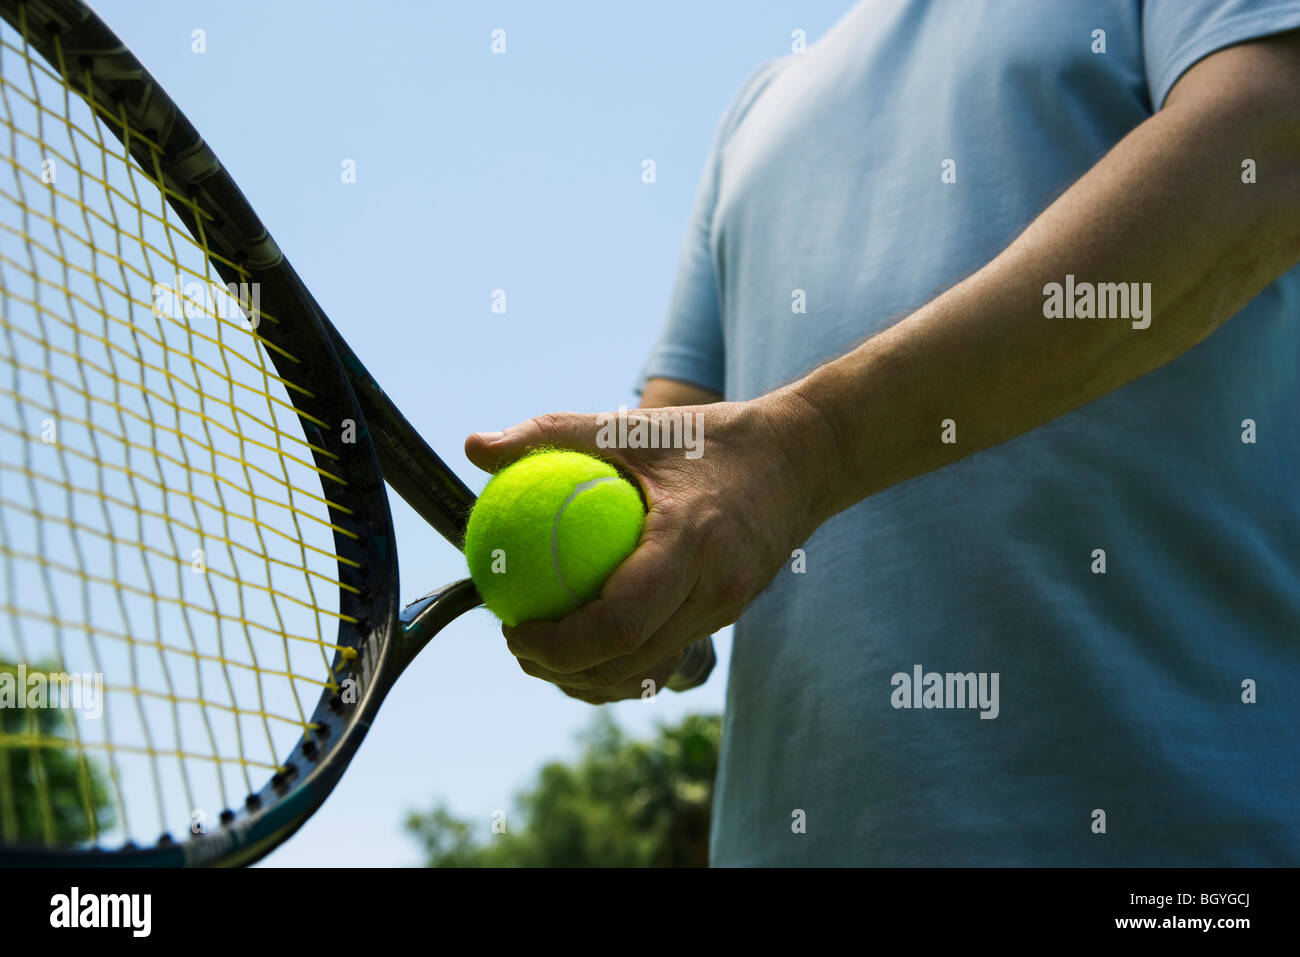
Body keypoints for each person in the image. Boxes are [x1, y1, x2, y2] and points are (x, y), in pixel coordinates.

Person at [466, 0, 1300, 865]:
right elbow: (675, 473)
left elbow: (1267, 144)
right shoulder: (755, 112)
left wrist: (813, 444)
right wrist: (648, 613)